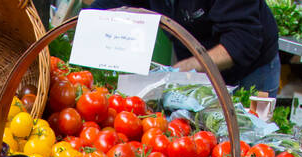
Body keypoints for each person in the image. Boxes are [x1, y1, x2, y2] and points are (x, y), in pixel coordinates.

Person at [85, 0, 281, 92]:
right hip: (197, 54)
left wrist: (181, 69)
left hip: (250, 69)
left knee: (246, 142)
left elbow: (242, 43)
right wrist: (87, 21)